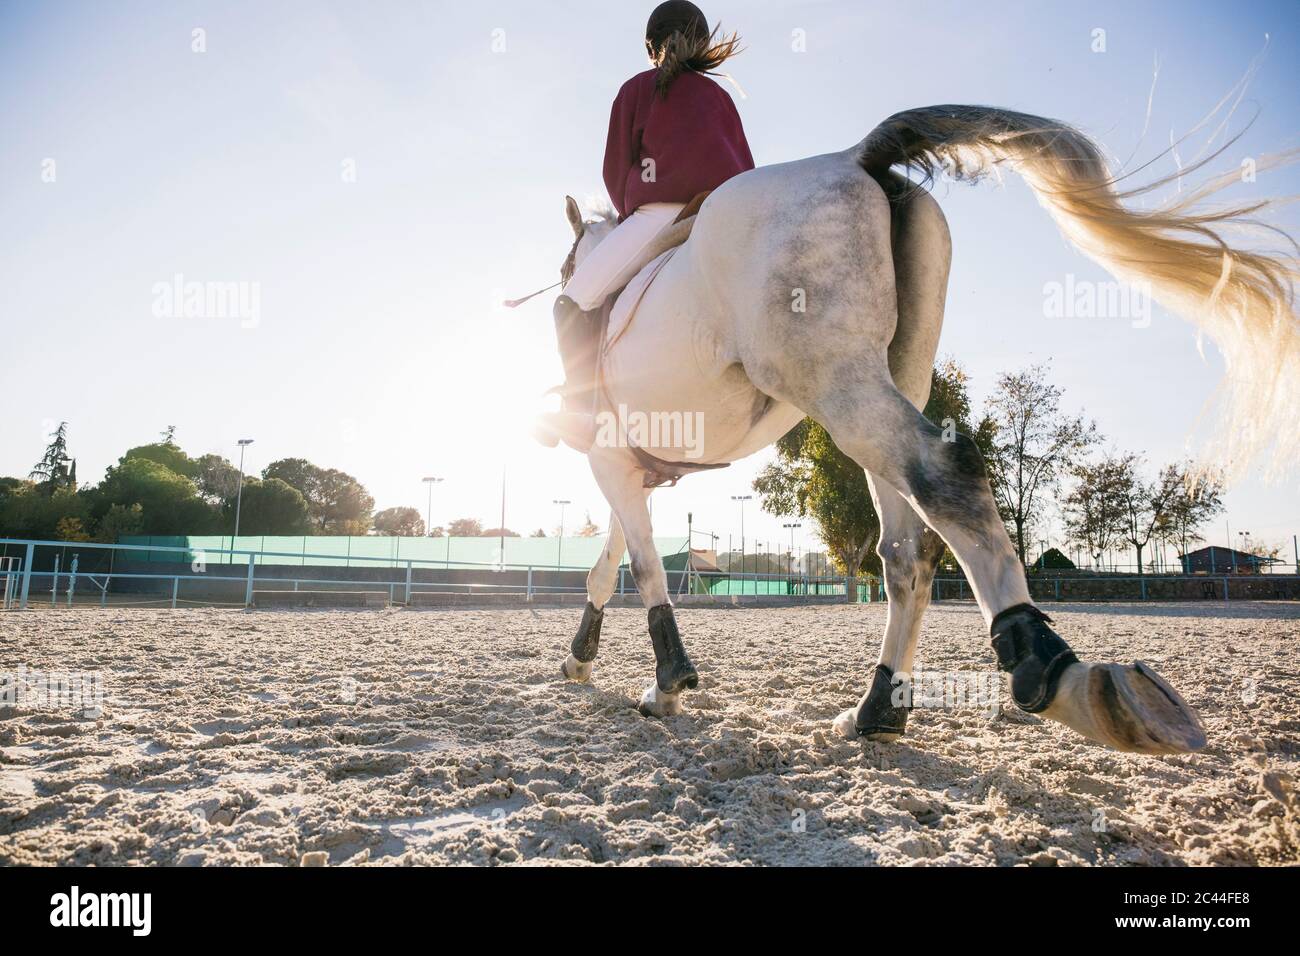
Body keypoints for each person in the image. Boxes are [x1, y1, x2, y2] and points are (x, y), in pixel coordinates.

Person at [552, 1, 754, 416]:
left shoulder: (637, 88)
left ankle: (578, 415)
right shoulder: (719, 96)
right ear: (702, 42)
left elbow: (615, 171)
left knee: (570, 303)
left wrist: (629, 215)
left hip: (661, 217)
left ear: (651, 47)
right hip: (729, 213)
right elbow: (746, 166)